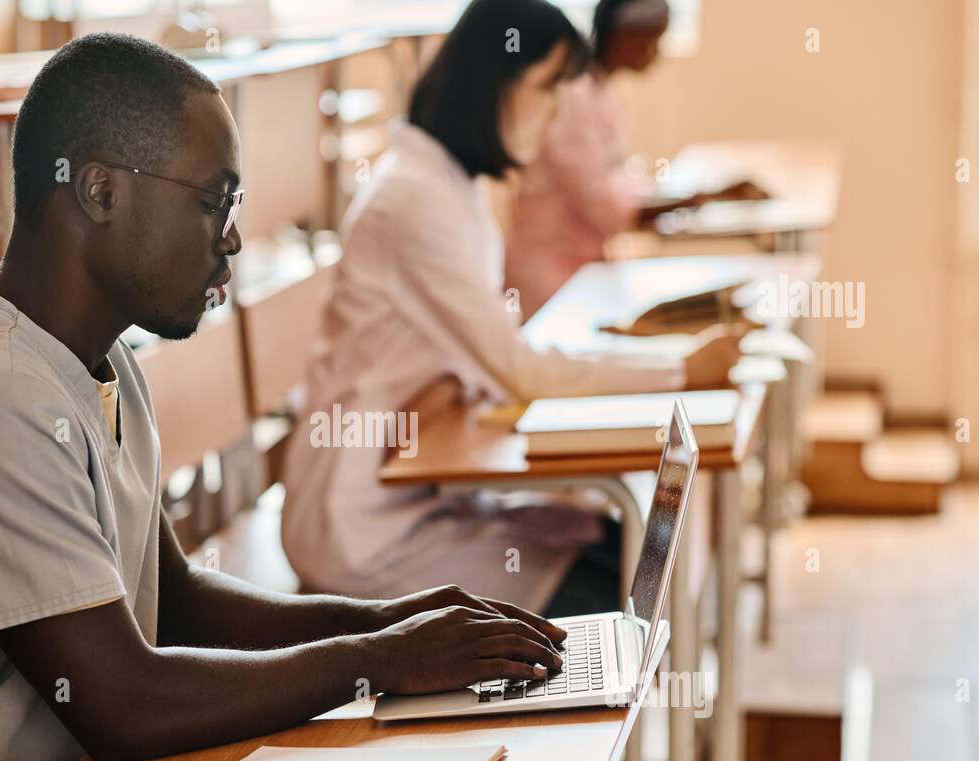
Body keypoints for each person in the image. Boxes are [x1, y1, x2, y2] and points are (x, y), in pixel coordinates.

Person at [0, 32, 569, 761]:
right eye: (212, 200)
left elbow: (177, 597)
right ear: (100, 191)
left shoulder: (97, 356)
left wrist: (394, 621)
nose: (230, 238)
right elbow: (122, 703)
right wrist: (377, 660)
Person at [280, 0, 742, 616]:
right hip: (365, 528)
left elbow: (494, 366)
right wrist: (682, 371)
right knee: (622, 590)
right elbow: (517, 372)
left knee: (625, 547)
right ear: (495, 84)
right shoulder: (417, 200)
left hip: (419, 490)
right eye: (547, 90)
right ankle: (643, 706)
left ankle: (672, 705)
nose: (555, 116)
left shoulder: (449, 184)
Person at [505, 0, 764, 319]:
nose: (657, 53)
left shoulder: (601, 92)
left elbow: (619, 182)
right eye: (653, 40)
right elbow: (603, 205)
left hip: (583, 262)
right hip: (547, 272)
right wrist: (695, 199)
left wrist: (702, 196)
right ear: (625, 34)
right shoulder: (574, 95)